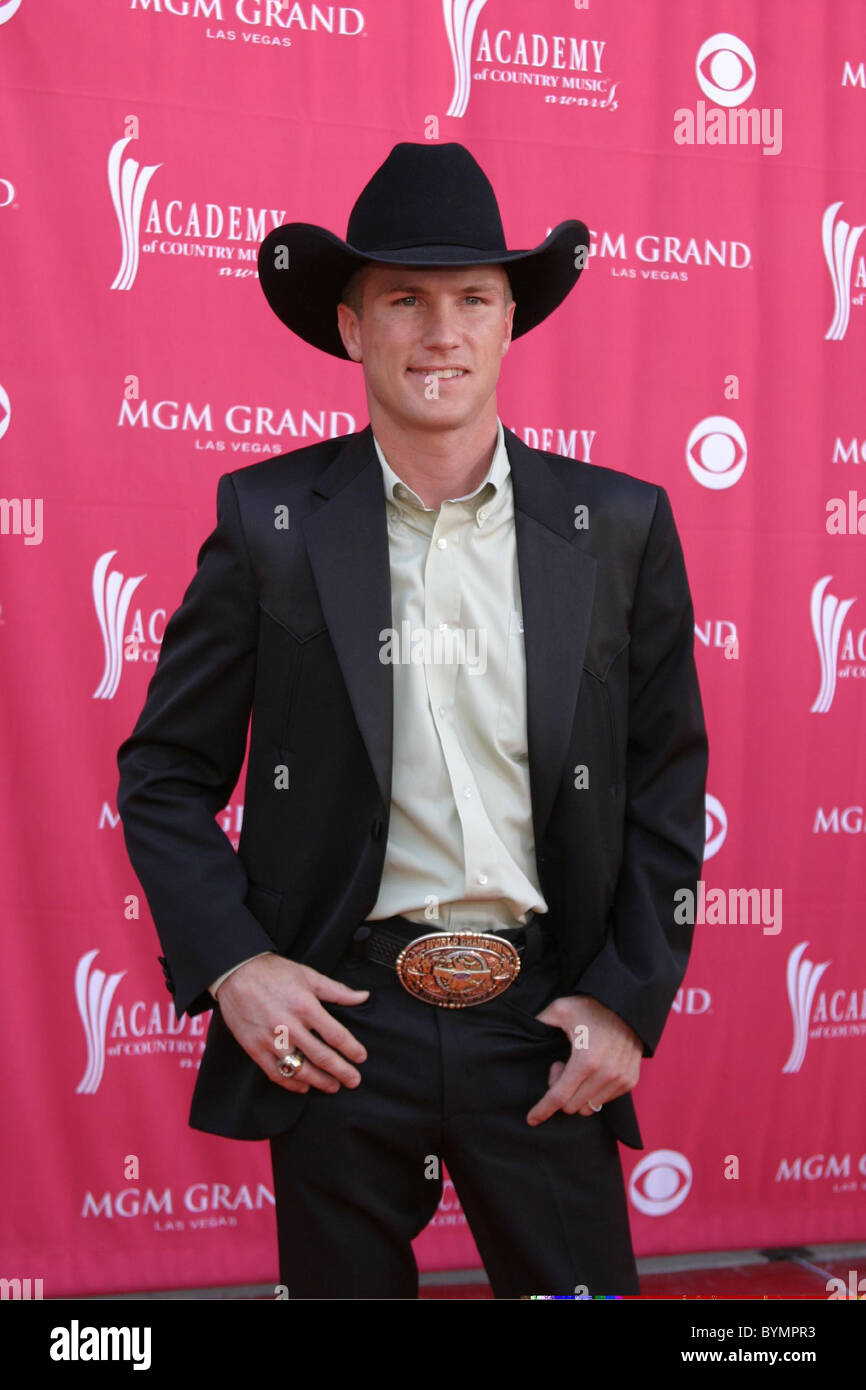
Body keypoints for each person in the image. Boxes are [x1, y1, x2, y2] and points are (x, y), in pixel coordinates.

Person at [116, 141, 708, 1300]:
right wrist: (234, 961)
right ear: (350, 327)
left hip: (540, 1022)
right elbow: (163, 772)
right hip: (339, 1024)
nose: (440, 331)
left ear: (506, 325)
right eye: (403, 299)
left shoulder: (619, 528)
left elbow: (664, 783)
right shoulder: (268, 521)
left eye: (471, 300)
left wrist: (628, 1001)